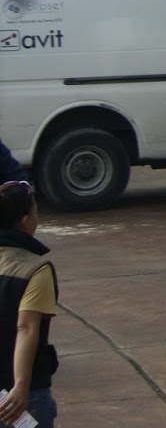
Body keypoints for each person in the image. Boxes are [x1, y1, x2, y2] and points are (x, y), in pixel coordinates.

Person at [0, 181, 57, 428]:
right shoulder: (36, 268)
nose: (37, 218)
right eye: (35, 212)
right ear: (24, 220)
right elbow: (26, 328)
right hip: (23, 396)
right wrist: (21, 386)